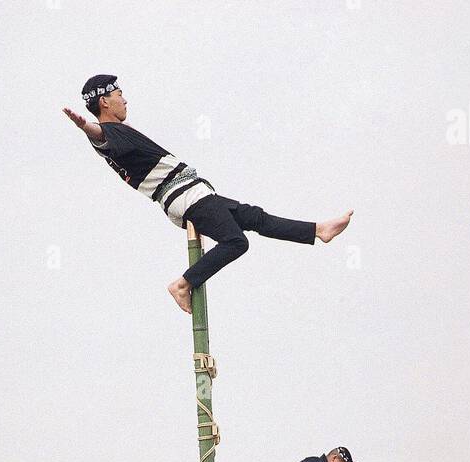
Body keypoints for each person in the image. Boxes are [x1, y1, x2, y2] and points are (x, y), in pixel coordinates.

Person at [64, 78, 354, 313]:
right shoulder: (110, 133)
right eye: (119, 94)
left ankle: (318, 230)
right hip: (186, 198)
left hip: (193, 192)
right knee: (236, 241)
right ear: (104, 101)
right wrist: (86, 127)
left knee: (254, 217)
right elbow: (100, 135)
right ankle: (182, 284)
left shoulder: (119, 131)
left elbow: (107, 136)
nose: (125, 99)